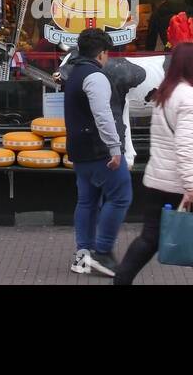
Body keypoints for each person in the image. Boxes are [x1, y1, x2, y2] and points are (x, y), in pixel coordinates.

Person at [114, 42, 193, 285]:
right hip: (184, 182)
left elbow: (172, 135)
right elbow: (184, 147)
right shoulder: (192, 97)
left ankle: (121, 280)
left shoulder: (166, 94)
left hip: (159, 179)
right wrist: (191, 186)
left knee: (149, 238)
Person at [65, 28, 132, 277]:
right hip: (99, 150)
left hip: (79, 150)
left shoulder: (73, 74)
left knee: (87, 201)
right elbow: (103, 115)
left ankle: (83, 255)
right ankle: (103, 253)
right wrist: (114, 148)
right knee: (121, 196)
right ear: (103, 53)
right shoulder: (95, 77)